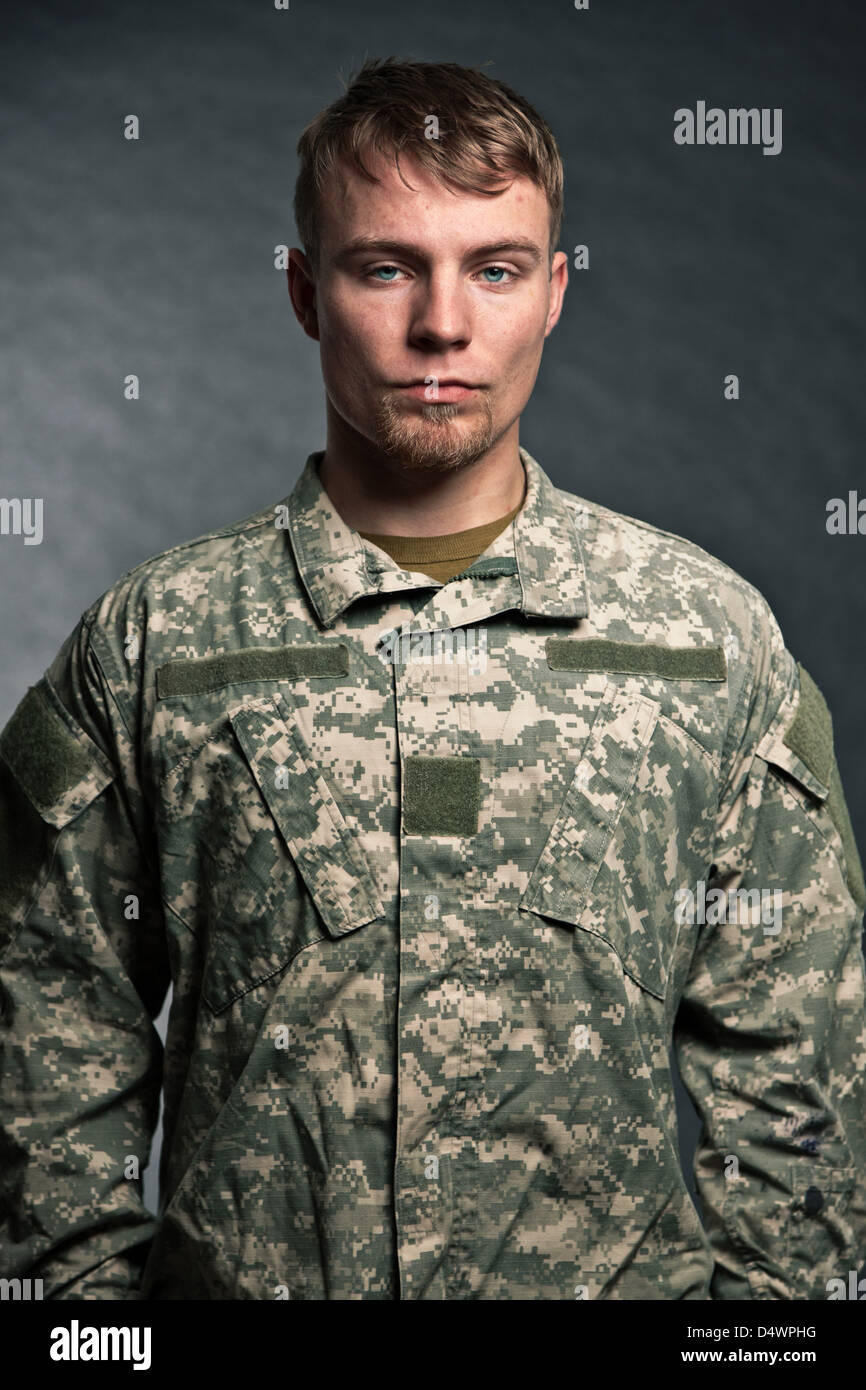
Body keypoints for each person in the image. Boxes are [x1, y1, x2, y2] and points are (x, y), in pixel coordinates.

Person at [1, 56, 864, 1302]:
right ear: (306, 290)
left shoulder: (705, 638)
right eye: (385, 266)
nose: (442, 324)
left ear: (555, 292)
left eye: (495, 268)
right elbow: (43, 1031)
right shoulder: (156, 644)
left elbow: (801, 1067)